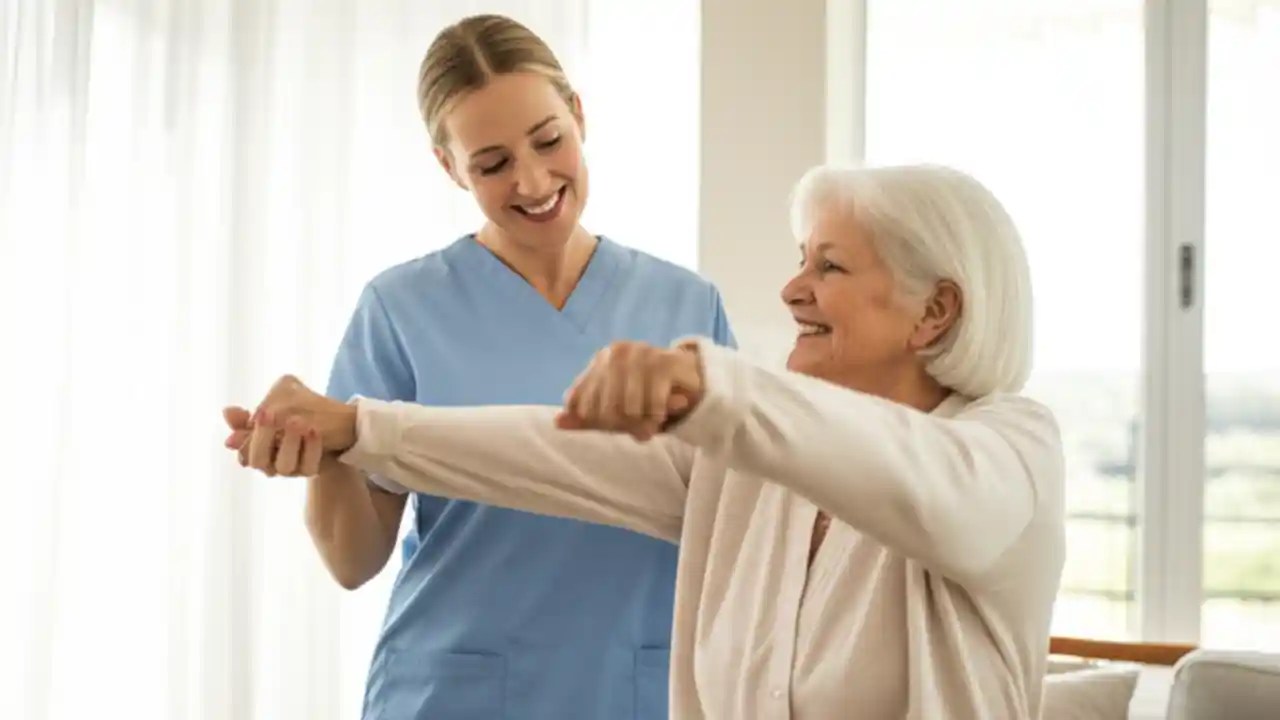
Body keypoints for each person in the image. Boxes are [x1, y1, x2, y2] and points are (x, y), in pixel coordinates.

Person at [230, 163, 1066, 718]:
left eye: (830, 269)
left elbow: (926, 486)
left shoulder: (1008, 448)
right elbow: (547, 452)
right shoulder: (752, 474)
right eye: (798, 260)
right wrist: (361, 426)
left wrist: (716, 386)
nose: (791, 288)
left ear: (935, 311)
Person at [224, 13, 736, 720]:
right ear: (448, 166)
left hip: (635, 686)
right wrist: (325, 450)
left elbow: (737, 530)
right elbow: (351, 561)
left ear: (578, 115)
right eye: (491, 163)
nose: (532, 181)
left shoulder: (687, 306)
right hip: (450, 691)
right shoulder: (402, 307)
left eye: (549, 140)